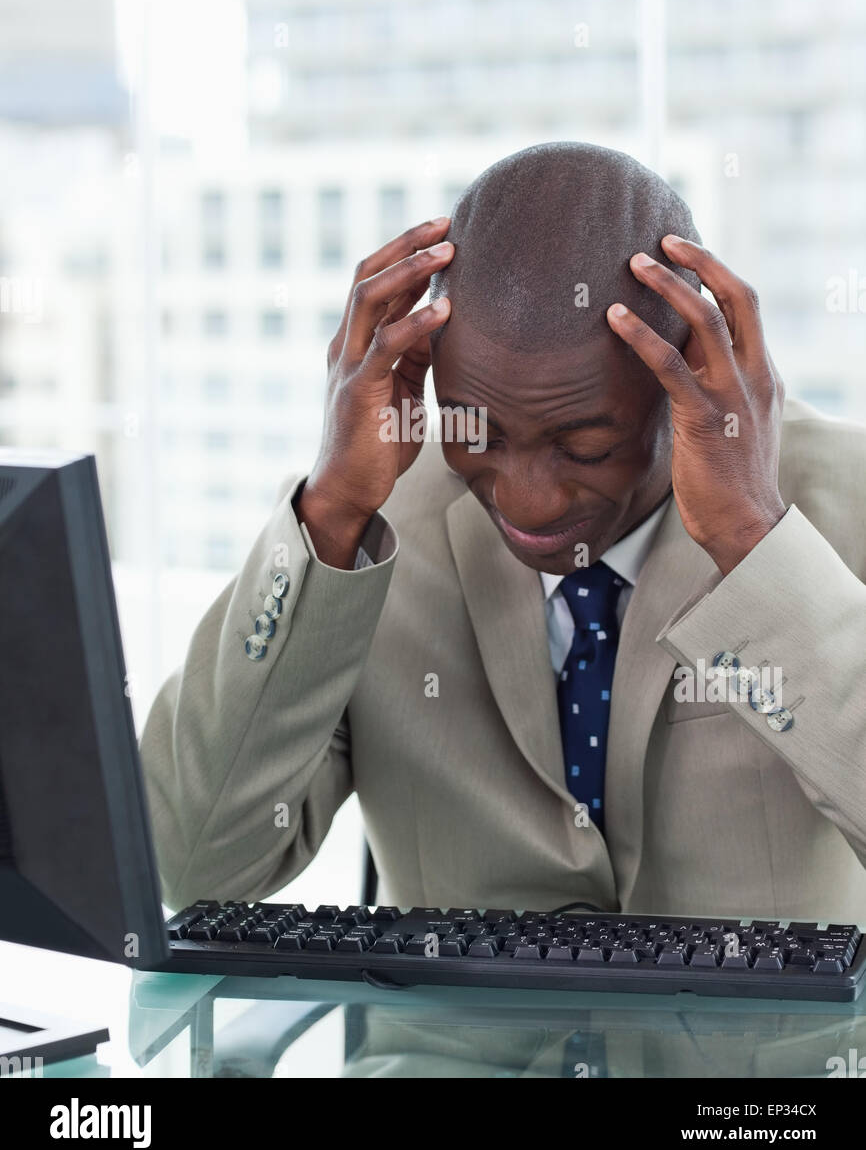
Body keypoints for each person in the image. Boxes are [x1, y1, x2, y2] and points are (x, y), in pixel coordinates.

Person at [140, 142, 866, 920]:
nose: (530, 503)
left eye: (586, 448)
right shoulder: (368, 527)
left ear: (691, 371)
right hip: (449, 1047)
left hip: (761, 1046)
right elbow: (191, 866)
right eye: (475, 434)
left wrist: (753, 541)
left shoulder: (836, 502)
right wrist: (330, 514)